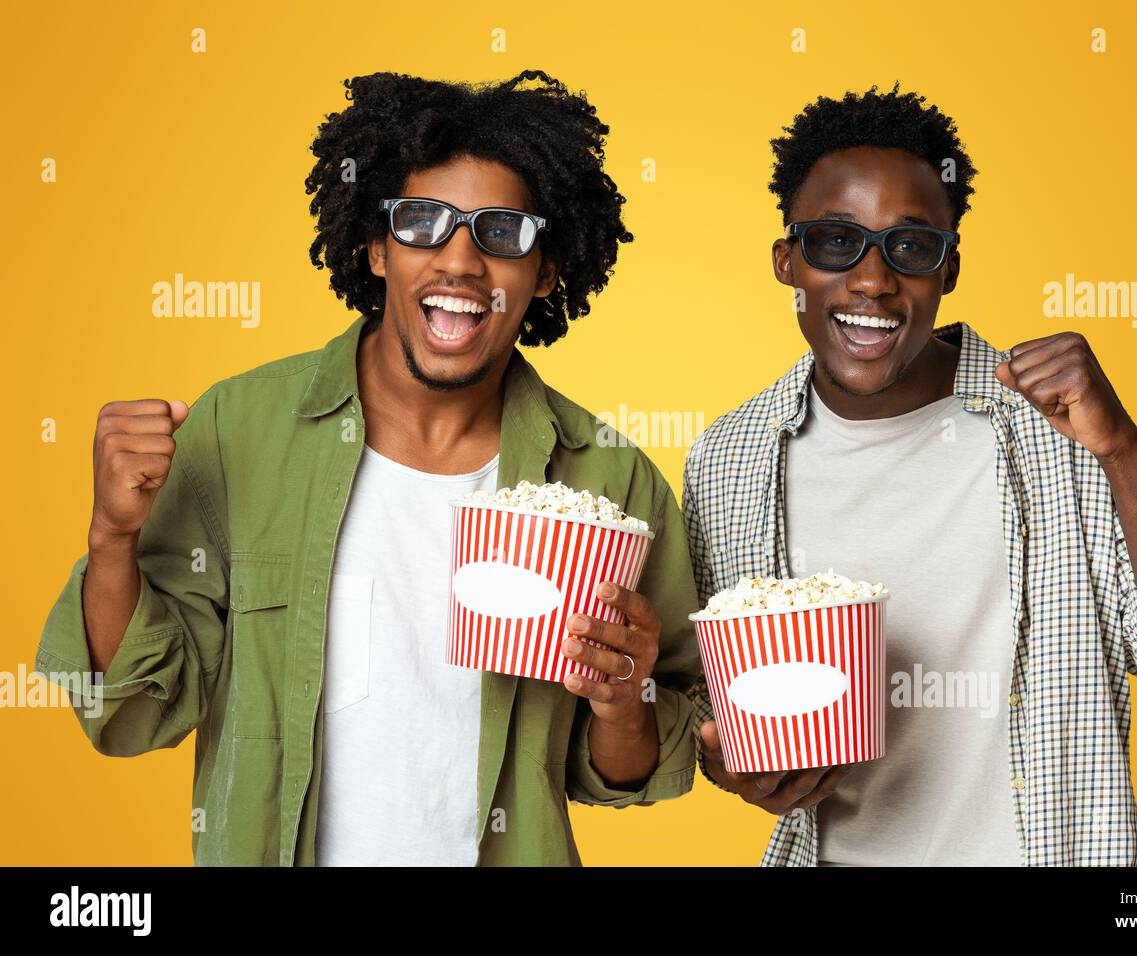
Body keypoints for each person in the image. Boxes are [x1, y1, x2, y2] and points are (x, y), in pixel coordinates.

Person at [35, 70, 700, 866]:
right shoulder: (236, 430)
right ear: (377, 247)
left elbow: (632, 771)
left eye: (504, 232)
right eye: (424, 223)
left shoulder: (608, 481)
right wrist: (112, 538)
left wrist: (625, 706)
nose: (460, 262)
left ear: (546, 271)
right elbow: (135, 713)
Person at [684, 82, 1137, 866]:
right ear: (788, 262)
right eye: (835, 242)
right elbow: (711, 715)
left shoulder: (1061, 431)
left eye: (912, 248)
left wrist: (1124, 449)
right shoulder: (729, 459)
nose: (874, 279)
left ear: (947, 271)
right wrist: (732, 767)